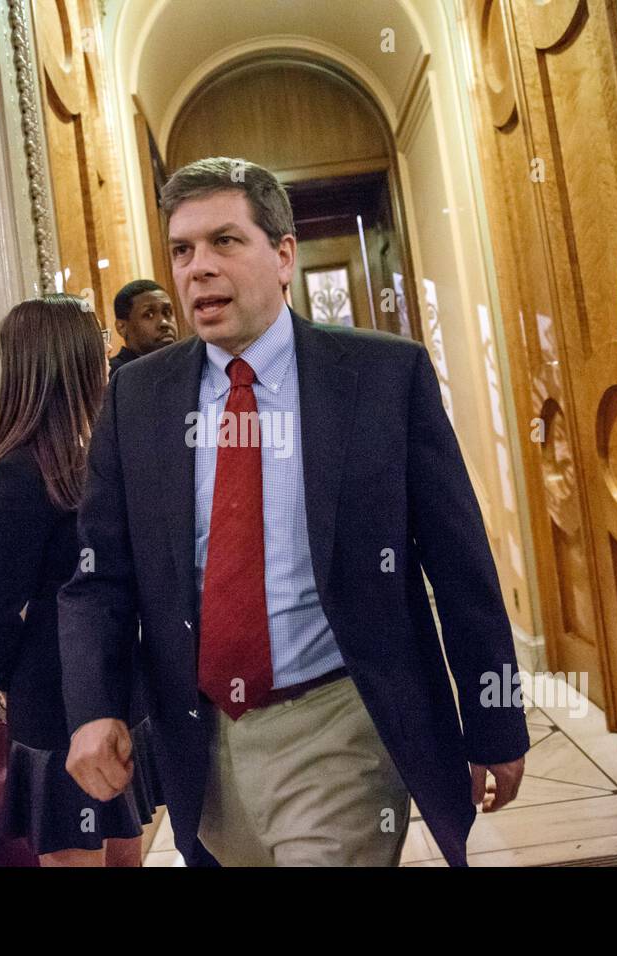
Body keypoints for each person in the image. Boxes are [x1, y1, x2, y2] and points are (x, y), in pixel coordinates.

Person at [58, 156, 528, 867]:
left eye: (224, 242)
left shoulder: (381, 378)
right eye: (182, 250)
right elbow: (100, 577)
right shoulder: (139, 400)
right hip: (202, 743)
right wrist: (95, 706)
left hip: (339, 724)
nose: (197, 269)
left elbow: (461, 564)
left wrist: (494, 722)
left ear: (283, 256)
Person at [0, 294, 158, 866]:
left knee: (124, 858)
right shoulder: (20, 475)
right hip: (58, 698)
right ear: (67, 357)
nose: (106, 351)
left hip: (110, 683)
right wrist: (18, 681)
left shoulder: (95, 454)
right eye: (96, 339)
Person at [109, 279, 178, 374]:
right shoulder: (113, 375)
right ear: (121, 327)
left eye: (167, 312)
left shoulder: (190, 362)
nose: (164, 323)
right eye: (149, 315)